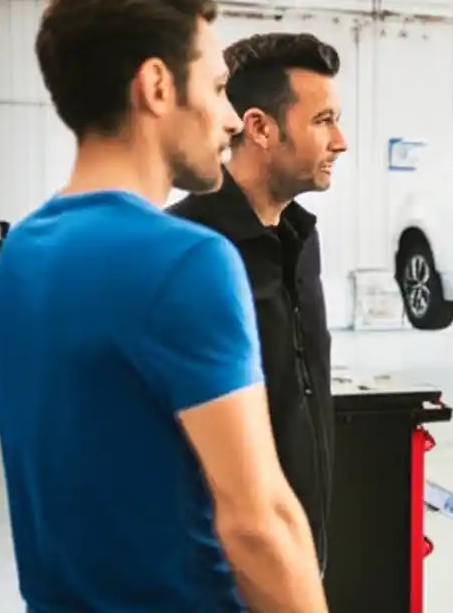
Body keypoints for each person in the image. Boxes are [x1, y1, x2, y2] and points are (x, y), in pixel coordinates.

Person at [0, 0, 327, 612]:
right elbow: (257, 524)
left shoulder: (23, 253)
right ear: (158, 85)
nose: (228, 119)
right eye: (219, 87)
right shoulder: (187, 261)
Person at [170, 31, 347, 573]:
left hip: (298, 551)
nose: (340, 141)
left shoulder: (300, 237)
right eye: (323, 121)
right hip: (217, 572)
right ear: (260, 128)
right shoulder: (184, 252)